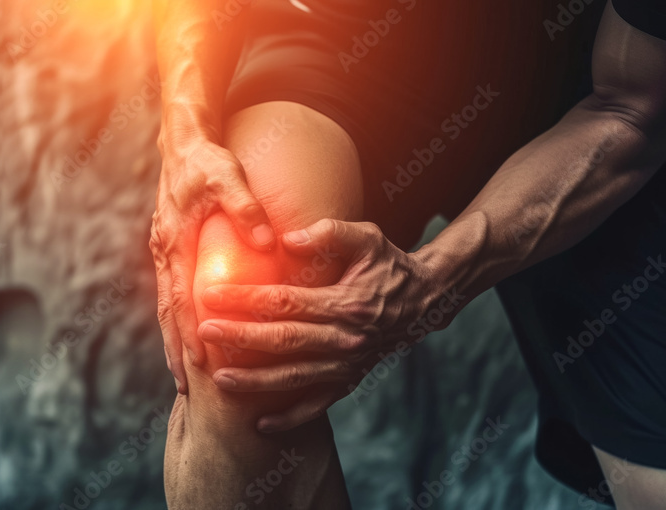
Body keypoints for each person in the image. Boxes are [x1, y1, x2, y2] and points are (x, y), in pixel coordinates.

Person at [150, 0, 666, 508]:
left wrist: (436, 280)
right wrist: (185, 139)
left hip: (585, 83)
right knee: (237, 313)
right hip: (350, 52)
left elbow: (632, 109)